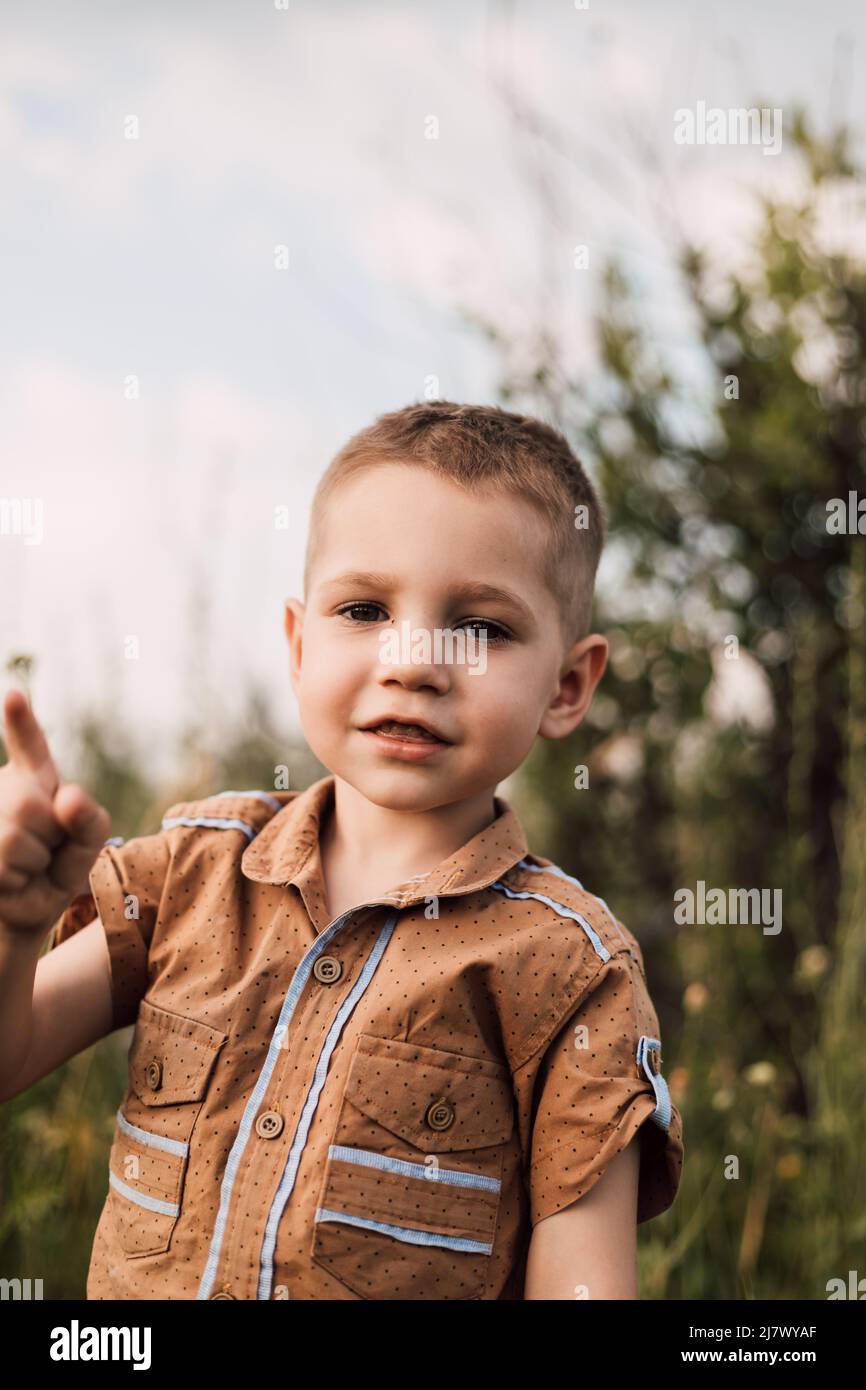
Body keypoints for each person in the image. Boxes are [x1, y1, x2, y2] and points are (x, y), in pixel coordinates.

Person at [0, 400, 683, 1301]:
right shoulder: (194, 873)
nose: (414, 661)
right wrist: (15, 930)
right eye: (363, 609)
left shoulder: (568, 971)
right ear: (297, 643)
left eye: (481, 628)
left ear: (566, 685)